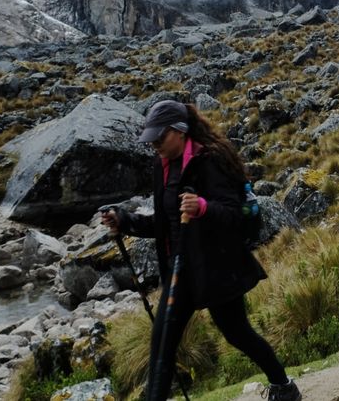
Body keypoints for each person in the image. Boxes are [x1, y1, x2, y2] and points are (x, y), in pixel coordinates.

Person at [101, 100, 300, 401]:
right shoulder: (163, 165)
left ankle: (284, 386)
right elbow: (165, 222)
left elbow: (234, 214)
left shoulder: (211, 160)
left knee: (237, 334)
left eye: (160, 137)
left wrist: (203, 208)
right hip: (179, 270)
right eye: (151, 138)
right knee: (162, 345)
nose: (154, 144)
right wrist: (125, 221)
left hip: (218, 269)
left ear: (180, 132)